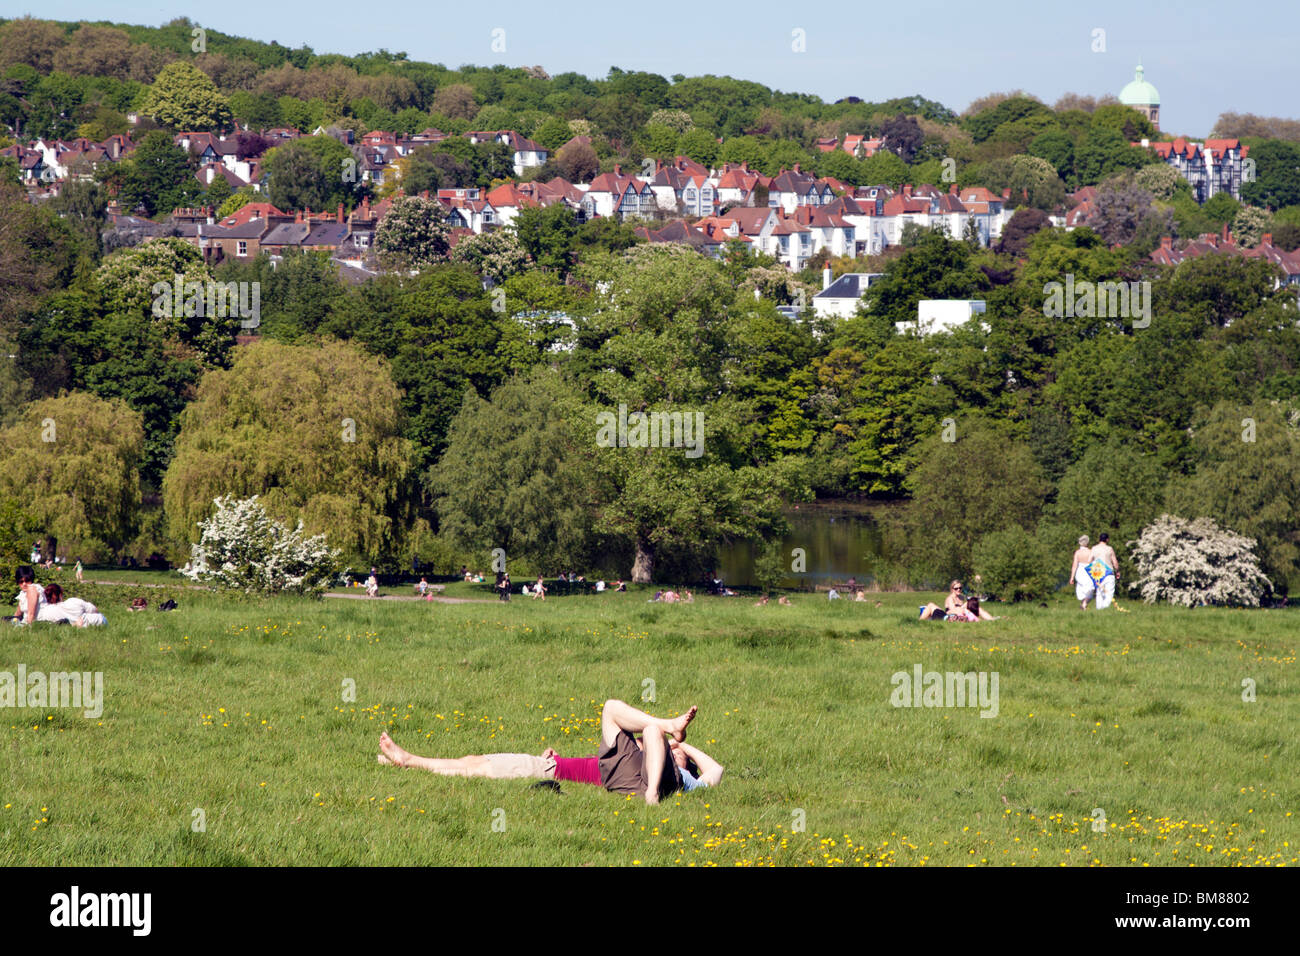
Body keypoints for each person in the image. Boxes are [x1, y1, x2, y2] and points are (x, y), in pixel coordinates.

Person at [378, 700, 721, 805]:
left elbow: (715, 772)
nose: (673, 750)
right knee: (472, 763)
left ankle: (409, 760)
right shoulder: (638, 753)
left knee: (475, 767)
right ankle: (408, 763)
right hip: (556, 765)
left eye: (676, 753)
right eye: (669, 746)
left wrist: (679, 743)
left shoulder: (683, 778)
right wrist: (677, 741)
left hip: (550, 772)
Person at [41, 584, 106, 627]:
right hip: (99, 621)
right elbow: (94, 609)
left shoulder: (47, 611)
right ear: (60, 595)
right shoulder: (73, 601)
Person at [1089, 533, 1119, 610]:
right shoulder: (1109, 549)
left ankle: (1099, 609)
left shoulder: (1094, 548)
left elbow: (1089, 561)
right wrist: (1117, 571)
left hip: (1098, 572)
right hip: (1109, 572)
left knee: (1099, 592)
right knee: (1109, 592)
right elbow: (1114, 562)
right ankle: (1105, 608)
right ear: (1107, 539)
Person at [1070, 535, 1095, 610]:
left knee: (1082, 589)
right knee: (1090, 589)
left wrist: (1072, 577)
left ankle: (1083, 605)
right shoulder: (1091, 552)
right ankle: (1084, 604)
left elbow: (1074, 565)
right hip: (1088, 571)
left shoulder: (1077, 553)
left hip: (1080, 572)